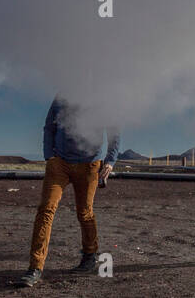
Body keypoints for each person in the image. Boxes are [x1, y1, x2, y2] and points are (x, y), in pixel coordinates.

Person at [17, 95, 120, 287]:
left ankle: (89, 255)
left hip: (90, 164)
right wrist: (50, 156)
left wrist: (110, 161)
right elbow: (49, 127)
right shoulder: (61, 97)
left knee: (85, 212)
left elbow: (114, 130)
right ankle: (35, 267)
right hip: (60, 163)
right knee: (46, 208)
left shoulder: (103, 96)